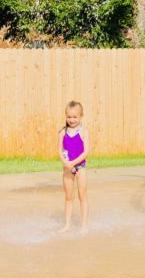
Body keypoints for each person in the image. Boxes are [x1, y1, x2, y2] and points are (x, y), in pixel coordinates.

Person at [57, 100, 89, 234]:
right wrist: (65, 163)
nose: (72, 119)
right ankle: (67, 224)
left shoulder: (83, 131)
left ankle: (84, 225)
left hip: (80, 167)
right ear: (66, 116)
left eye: (75, 117)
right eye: (69, 116)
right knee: (69, 197)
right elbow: (59, 150)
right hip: (67, 169)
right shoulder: (62, 132)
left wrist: (73, 163)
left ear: (81, 116)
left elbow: (86, 151)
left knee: (82, 196)